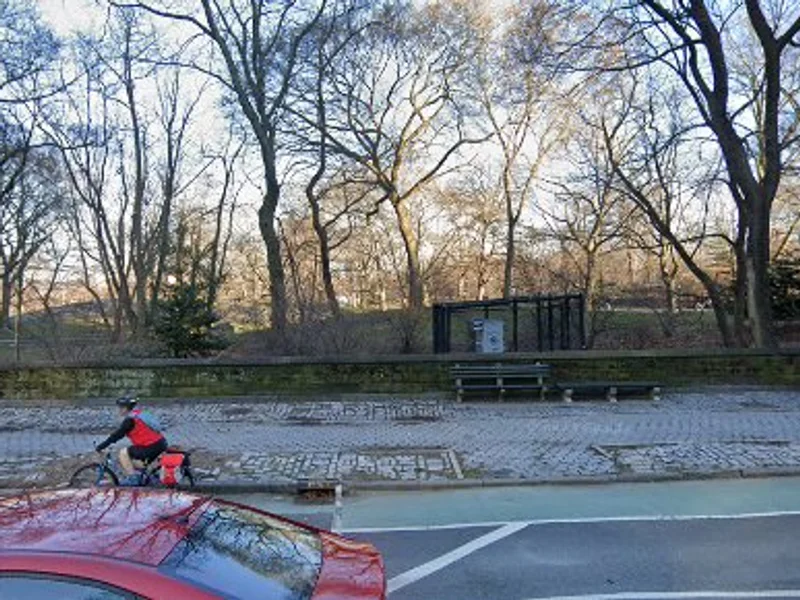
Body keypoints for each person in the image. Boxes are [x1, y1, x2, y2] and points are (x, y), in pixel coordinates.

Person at [95, 396, 168, 485]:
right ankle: (150, 478)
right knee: (135, 461)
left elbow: (117, 435)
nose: (119, 410)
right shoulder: (138, 414)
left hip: (151, 446)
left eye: (120, 408)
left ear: (125, 408)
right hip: (160, 443)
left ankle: (133, 479)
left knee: (123, 453)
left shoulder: (129, 420)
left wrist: (101, 446)